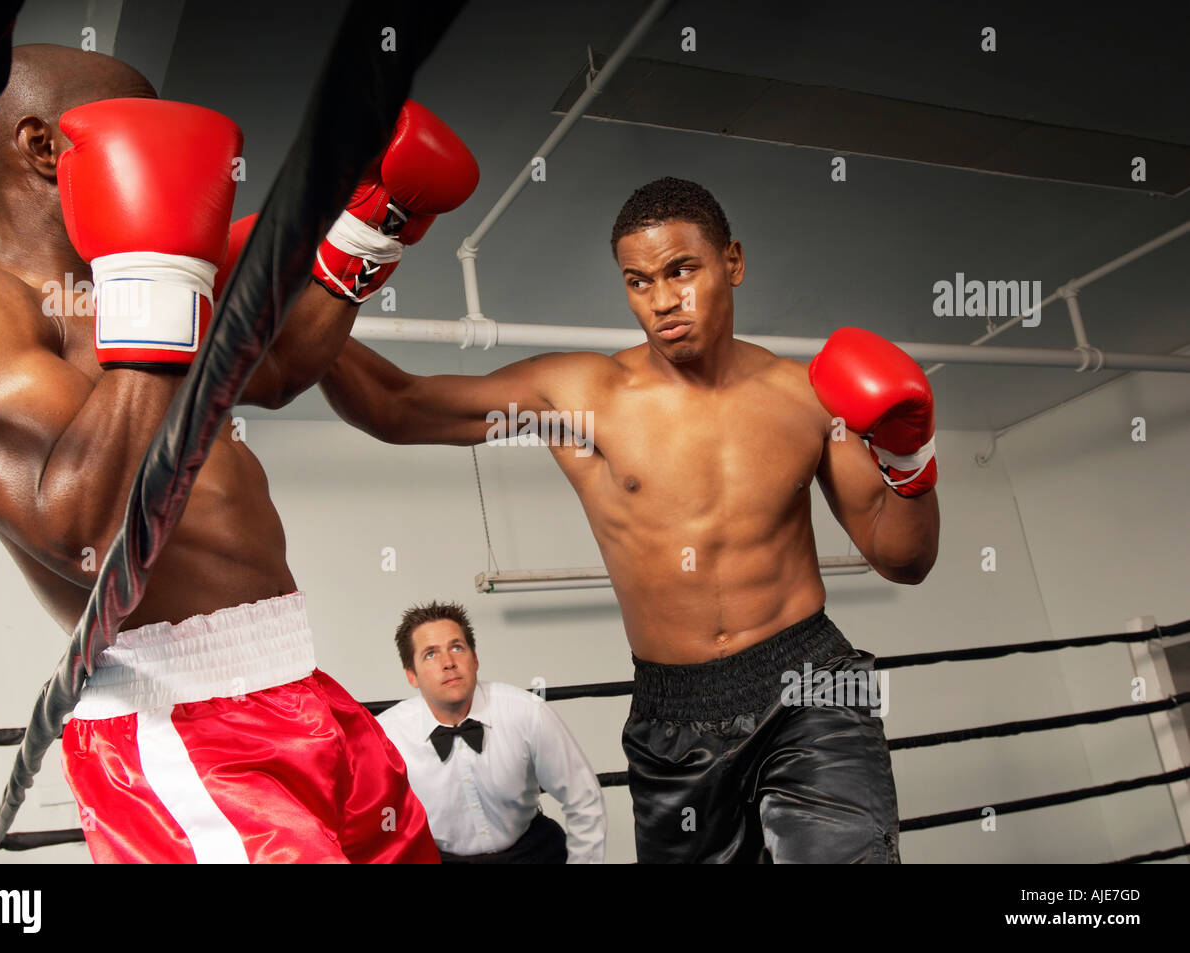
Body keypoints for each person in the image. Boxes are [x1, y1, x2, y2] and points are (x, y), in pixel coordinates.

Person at [0, 44, 479, 863]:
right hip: (180, 725)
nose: (172, 153)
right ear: (42, 146)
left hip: (297, 680)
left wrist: (372, 224)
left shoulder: (131, 285)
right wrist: (156, 278)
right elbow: (80, 526)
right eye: (141, 127)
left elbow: (276, 370)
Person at [319, 177, 940, 863]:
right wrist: (318, 285)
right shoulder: (585, 396)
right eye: (638, 281)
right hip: (673, 714)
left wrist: (910, 459)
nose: (663, 300)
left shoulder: (808, 395)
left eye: (682, 270)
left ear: (731, 261)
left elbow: (902, 558)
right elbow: (397, 406)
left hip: (811, 681)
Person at [376, 602, 606, 863]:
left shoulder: (526, 712)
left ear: (474, 660)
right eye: (430, 654)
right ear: (411, 676)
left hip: (532, 852)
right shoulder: (387, 737)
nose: (448, 663)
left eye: (456, 647)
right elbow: (371, 827)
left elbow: (583, 799)